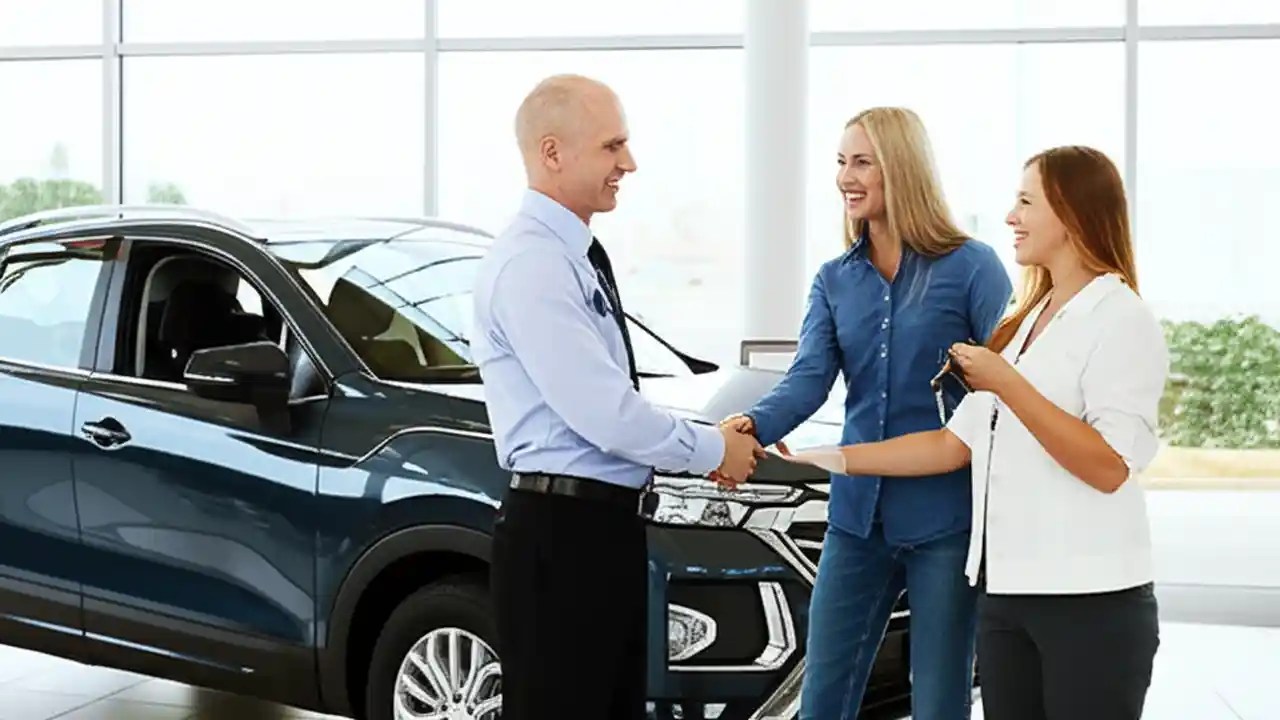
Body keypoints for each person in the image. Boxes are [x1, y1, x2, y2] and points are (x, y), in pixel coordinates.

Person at [794, 145, 1166, 720]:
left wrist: (1004, 382)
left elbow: (1109, 464)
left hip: (1090, 599)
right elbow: (950, 445)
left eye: (1025, 201)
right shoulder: (1025, 325)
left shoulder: (1120, 318)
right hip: (1009, 593)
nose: (1010, 217)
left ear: (1069, 214)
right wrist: (824, 458)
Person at [470, 74, 764, 720]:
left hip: (597, 530)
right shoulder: (535, 265)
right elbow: (603, 413)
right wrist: (713, 447)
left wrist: (712, 440)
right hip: (563, 537)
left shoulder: (569, 256)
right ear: (553, 153)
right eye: (612, 147)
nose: (628, 164)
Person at [722, 107, 1012, 719]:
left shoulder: (972, 267)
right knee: (823, 700)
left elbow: (1008, 391)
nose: (845, 177)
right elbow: (807, 380)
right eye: (840, 162)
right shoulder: (835, 280)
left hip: (946, 522)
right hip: (856, 523)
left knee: (938, 702)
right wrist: (749, 428)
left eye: (861, 162)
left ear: (900, 168)